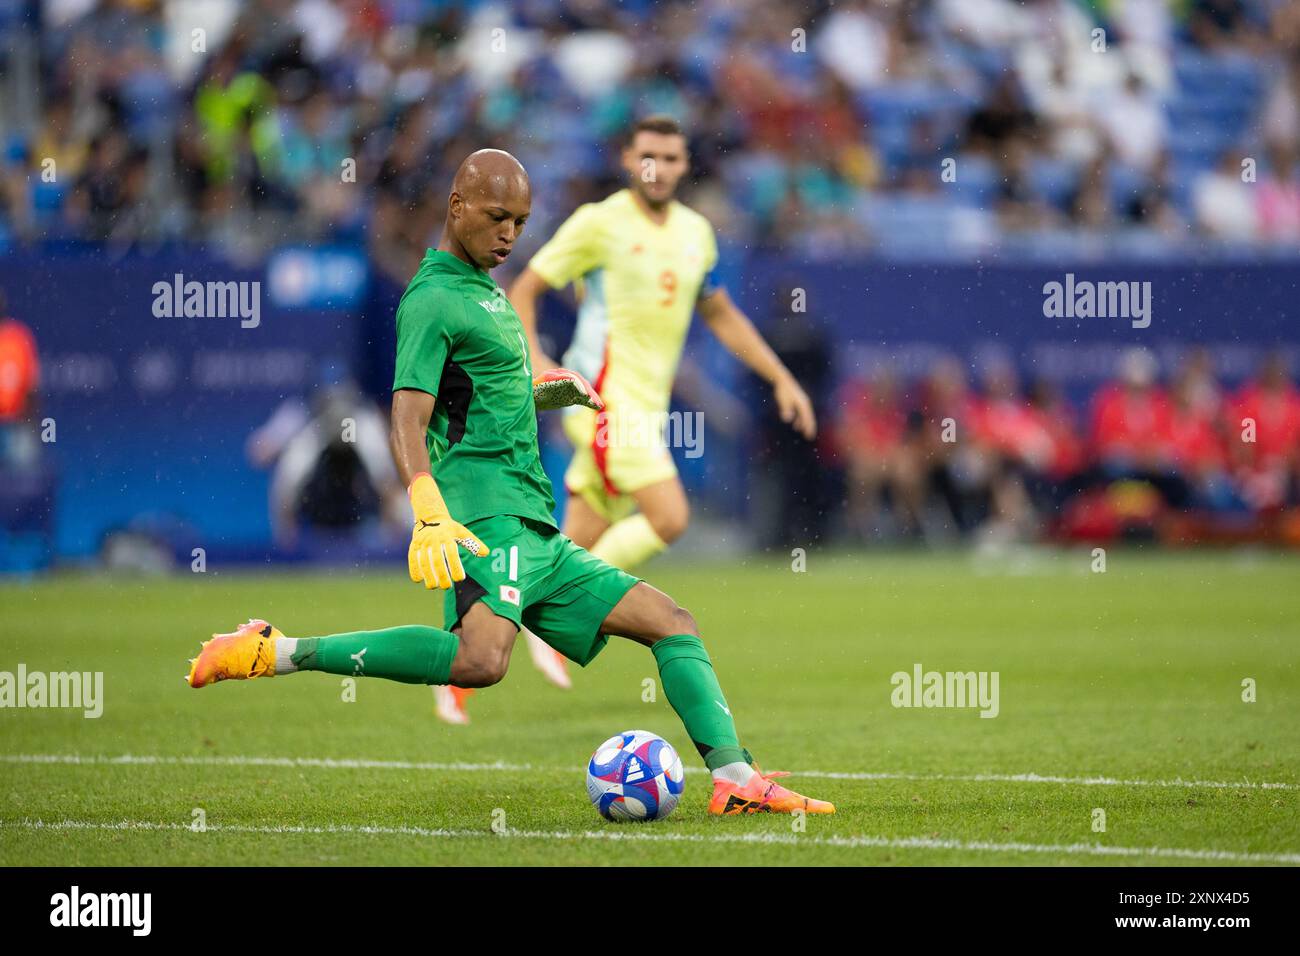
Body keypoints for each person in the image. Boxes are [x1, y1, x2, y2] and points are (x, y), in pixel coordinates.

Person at [186, 148, 834, 817]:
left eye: (520, 223)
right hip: (483, 517)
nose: (508, 234)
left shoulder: (489, 293)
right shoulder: (432, 298)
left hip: (537, 525)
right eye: (497, 217)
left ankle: (735, 780)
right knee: (483, 660)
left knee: (670, 623)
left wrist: (553, 392)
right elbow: (407, 417)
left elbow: (490, 393)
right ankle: (279, 651)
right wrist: (429, 510)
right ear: (456, 206)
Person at [430, 114, 818, 724]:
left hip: (648, 410)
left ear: (685, 165)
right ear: (628, 161)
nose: (657, 168)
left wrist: (779, 376)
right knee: (669, 515)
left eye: (670, 157)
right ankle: (552, 620)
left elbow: (720, 316)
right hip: (602, 400)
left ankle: (463, 662)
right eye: (647, 156)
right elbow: (525, 289)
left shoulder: (696, 235)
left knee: (568, 539)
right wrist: (540, 365)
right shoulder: (600, 224)